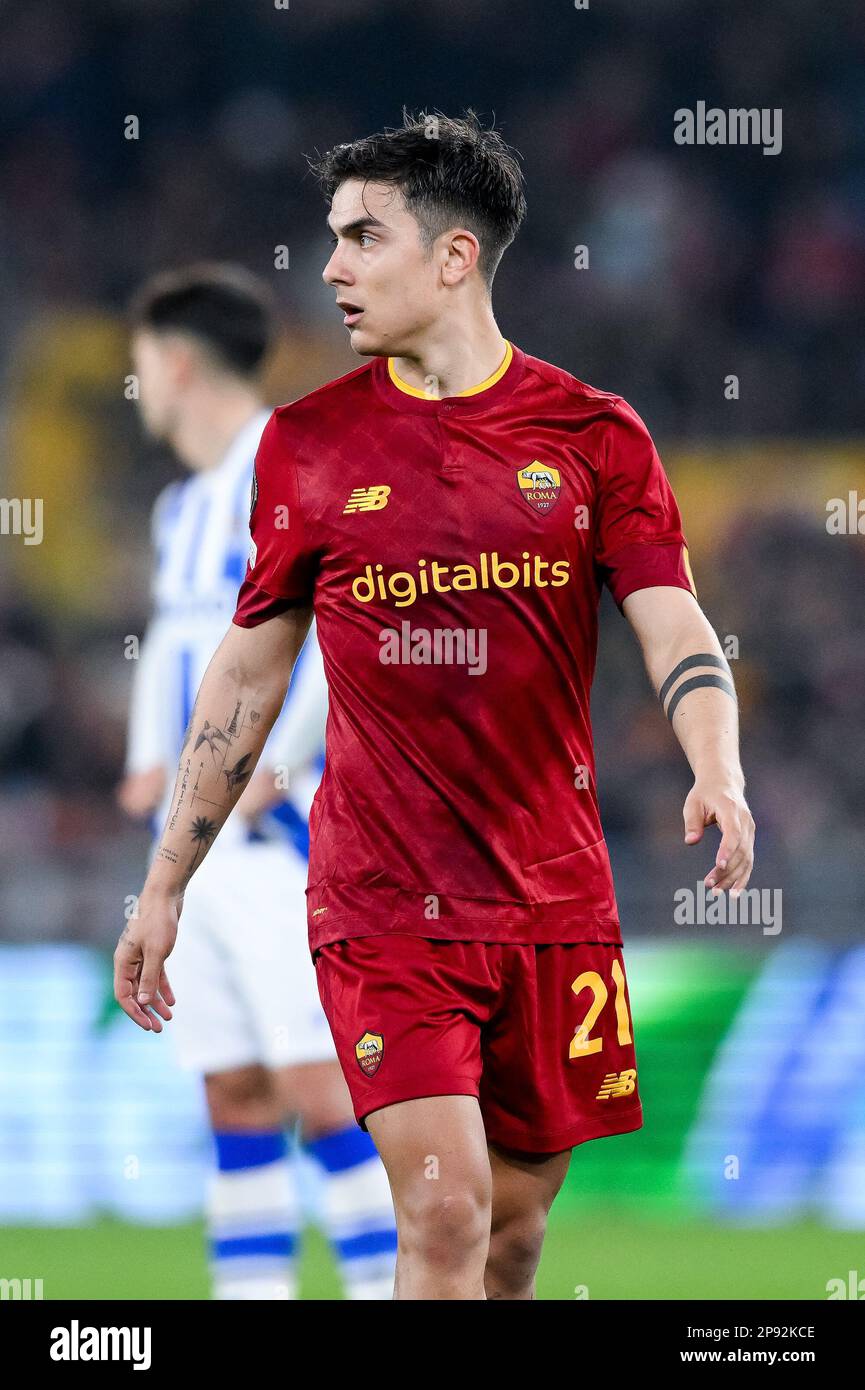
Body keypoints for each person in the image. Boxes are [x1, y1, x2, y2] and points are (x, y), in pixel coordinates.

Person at [114, 115, 755, 1301]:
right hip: (380, 898)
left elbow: (671, 618)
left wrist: (715, 765)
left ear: (454, 256)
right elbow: (248, 674)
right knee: (445, 1208)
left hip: (551, 896)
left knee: (510, 1234)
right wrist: (164, 881)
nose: (334, 268)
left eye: (363, 238)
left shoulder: (593, 434)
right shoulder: (307, 447)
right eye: (332, 239)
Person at [118, 264, 396, 1299]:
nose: (137, 385)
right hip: (200, 845)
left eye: (141, 363)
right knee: (232, 1091)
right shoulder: (181, 508)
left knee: (321, 1090)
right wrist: (151, 756)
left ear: (177, 362)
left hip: (286, 834)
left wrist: (282, 757)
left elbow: (334, 618)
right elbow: (182, 642)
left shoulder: (291, 463)